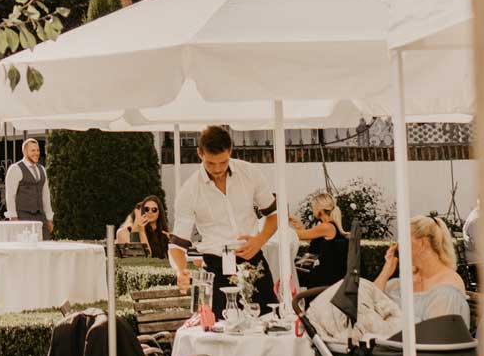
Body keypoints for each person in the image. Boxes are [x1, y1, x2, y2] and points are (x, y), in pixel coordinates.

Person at [167, 125, 278, 311]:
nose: (218, 169)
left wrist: (260, 240)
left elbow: (274, 215)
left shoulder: (250, 173)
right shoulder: (189, 191)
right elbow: (177, 245)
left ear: (230, 151)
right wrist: (180, 271)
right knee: (220, 330)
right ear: (200, 153)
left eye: (223, 162)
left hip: (253, 262)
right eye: (211, 163)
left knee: (268, 321)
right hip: (216, 267)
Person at [374, 214, 471, 327]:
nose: (397, 246)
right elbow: (368, 304)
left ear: (422, 243)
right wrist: (385, 273)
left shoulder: (448, 286)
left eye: (403, 239)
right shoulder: (400, 283)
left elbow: (436, 336)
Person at [290, 190, 350, 290]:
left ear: (319, 210)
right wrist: (296, 222)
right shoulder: (330, 227)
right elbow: (311, 240)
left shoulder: (326, 227)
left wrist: (281, 223)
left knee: (290, 273)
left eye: (313, 207)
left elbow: (300, 235)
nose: (312, 209)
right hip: (332, 275)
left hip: (325, 278)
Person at [1, 138, 54, 234]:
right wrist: (13, 217)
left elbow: (45, 195)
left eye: (38, 150)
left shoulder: (42, 169)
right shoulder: (15, 168)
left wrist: (49, 218)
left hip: (41, 217)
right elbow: (10, 196)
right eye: (33, 150)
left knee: (46, 244)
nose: (36, 153)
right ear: (24, 151)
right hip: (23, 217)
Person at [116, 195, 170, 259]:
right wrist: (140, 230)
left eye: (154, 210)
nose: (150, 212)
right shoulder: (126, 231)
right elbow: (145, 257)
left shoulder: (163, 234)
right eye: (147, 209)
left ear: (159, 213)